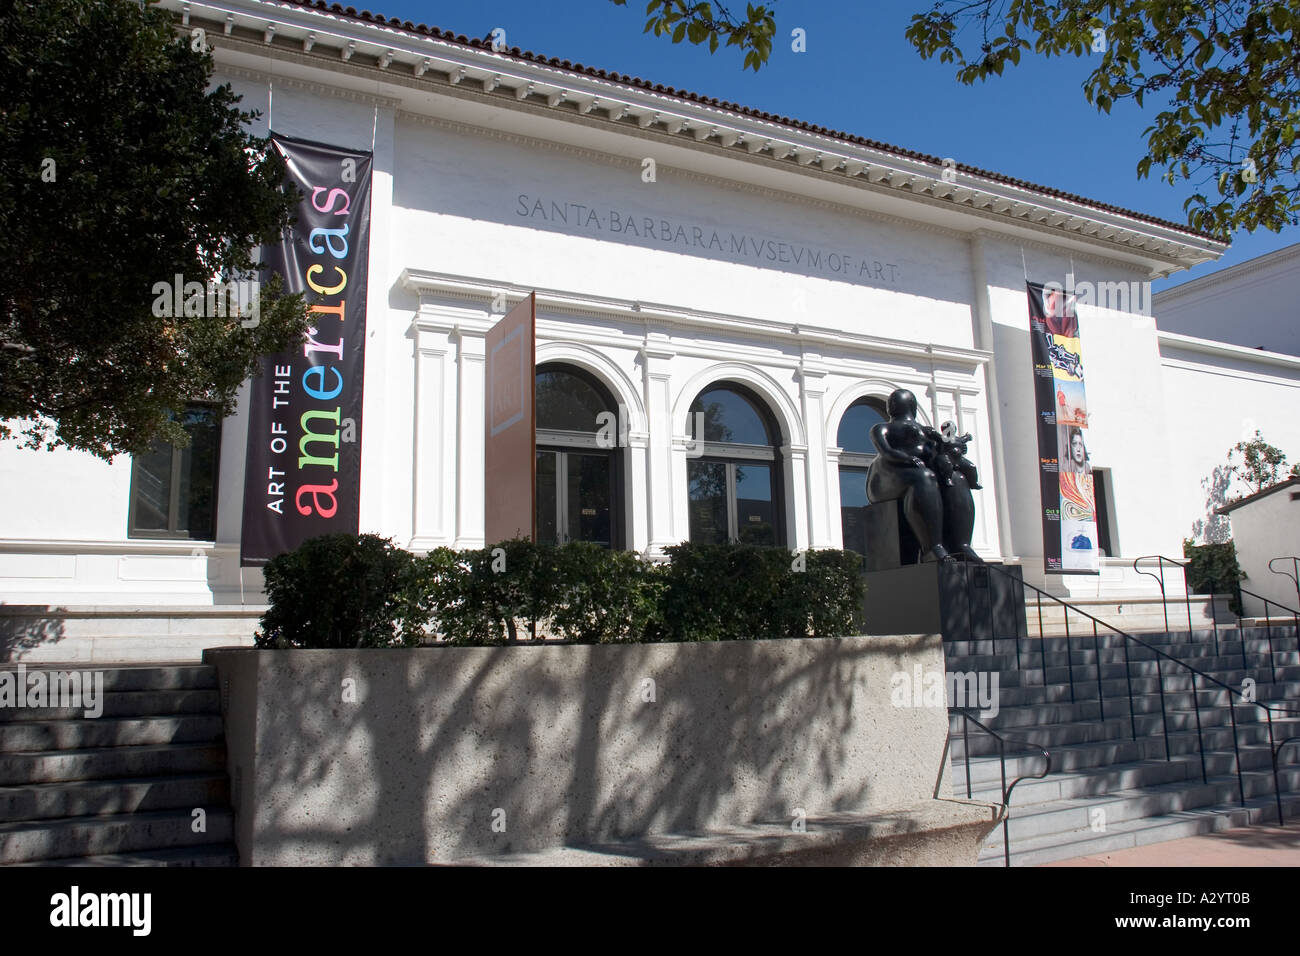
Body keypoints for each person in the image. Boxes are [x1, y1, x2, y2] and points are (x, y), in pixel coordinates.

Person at [866, 389, 949, 562]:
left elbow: (938, 454)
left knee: (957, 479)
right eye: (891, 402)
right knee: (924, 477)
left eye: (895, 402)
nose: (892, 405)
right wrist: (907, 458)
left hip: (912, 474)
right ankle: (932, 547)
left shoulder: (925, 431)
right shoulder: (882, 428)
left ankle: (961, 545)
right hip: (885, 479)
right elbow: (887, 452)